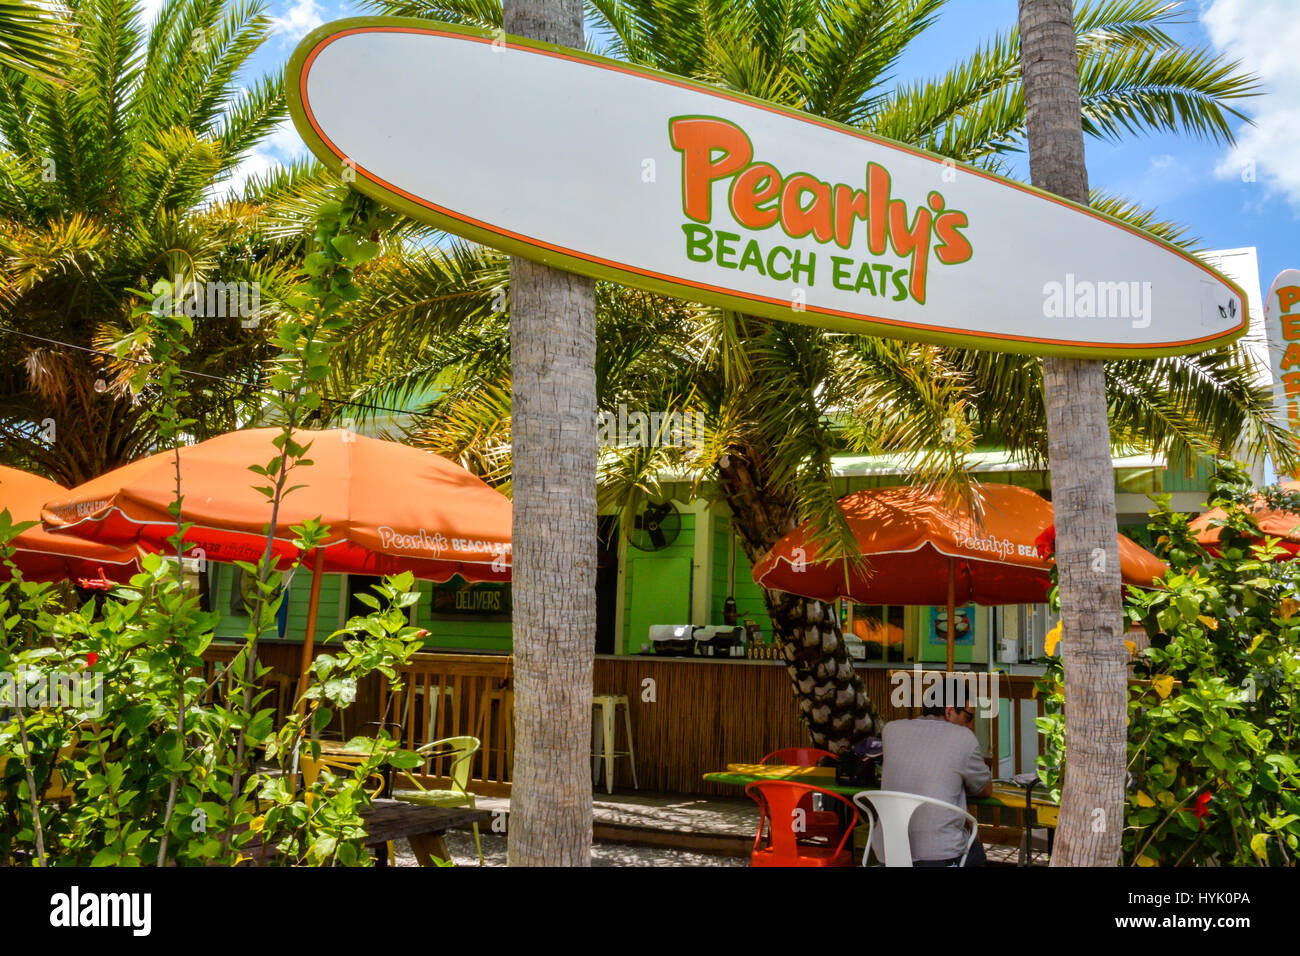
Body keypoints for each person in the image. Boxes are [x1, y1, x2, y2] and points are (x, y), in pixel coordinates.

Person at [875, 678, 992, 866]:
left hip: (889, 853)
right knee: (977, 852)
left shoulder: (891, 730)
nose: (971, 726)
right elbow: (985, 790)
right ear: (949, 711)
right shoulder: (964, 738)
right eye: (968, 717)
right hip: (940, 856)